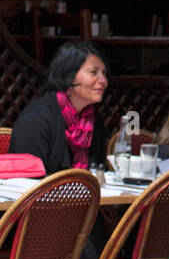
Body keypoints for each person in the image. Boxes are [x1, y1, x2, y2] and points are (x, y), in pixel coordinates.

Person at [11, 39, 110, 174]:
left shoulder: (93, 122)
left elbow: (98, 173)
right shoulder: (36, 119)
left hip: (82, 194)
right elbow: (28, 181)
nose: (103, 80)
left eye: (104, 73)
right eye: (93, 72)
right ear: (69, 76)